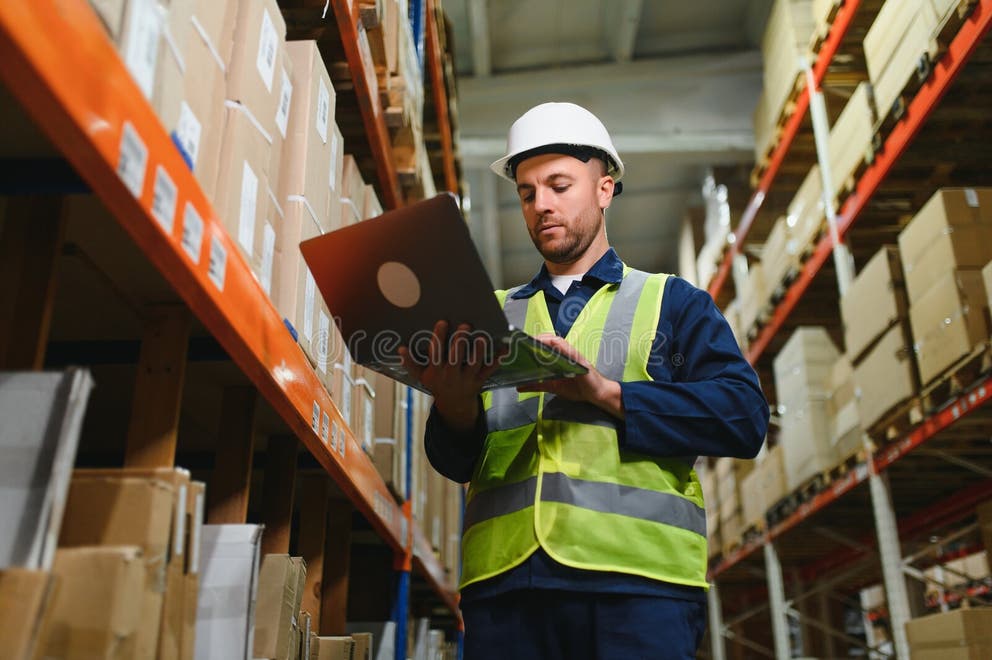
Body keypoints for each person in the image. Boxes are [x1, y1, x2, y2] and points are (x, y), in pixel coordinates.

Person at [398, 102, 769, 659]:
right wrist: (454, 406)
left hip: (638, 588)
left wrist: (607, 393)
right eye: (527, 192)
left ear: (605, 189)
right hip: (507, 592)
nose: (541, 204)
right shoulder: (487, 316)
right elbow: (456, 462)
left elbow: (743, 419)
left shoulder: (672, 302)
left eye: (559, 185)